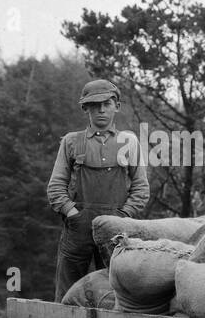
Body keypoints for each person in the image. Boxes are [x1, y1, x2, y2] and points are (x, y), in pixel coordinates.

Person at [47, 79, 149, 300]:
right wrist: (73, 214)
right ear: (85, 108)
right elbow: (55, 188)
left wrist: (122, 217)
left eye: (107, 103)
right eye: (95, 105)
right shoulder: (71, 142)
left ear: (117, 106)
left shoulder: (128, 142)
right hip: (78, 229)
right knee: (67, 296)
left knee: (117, 294)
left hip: (116, 231)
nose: (101, 110)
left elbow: (141, 189)